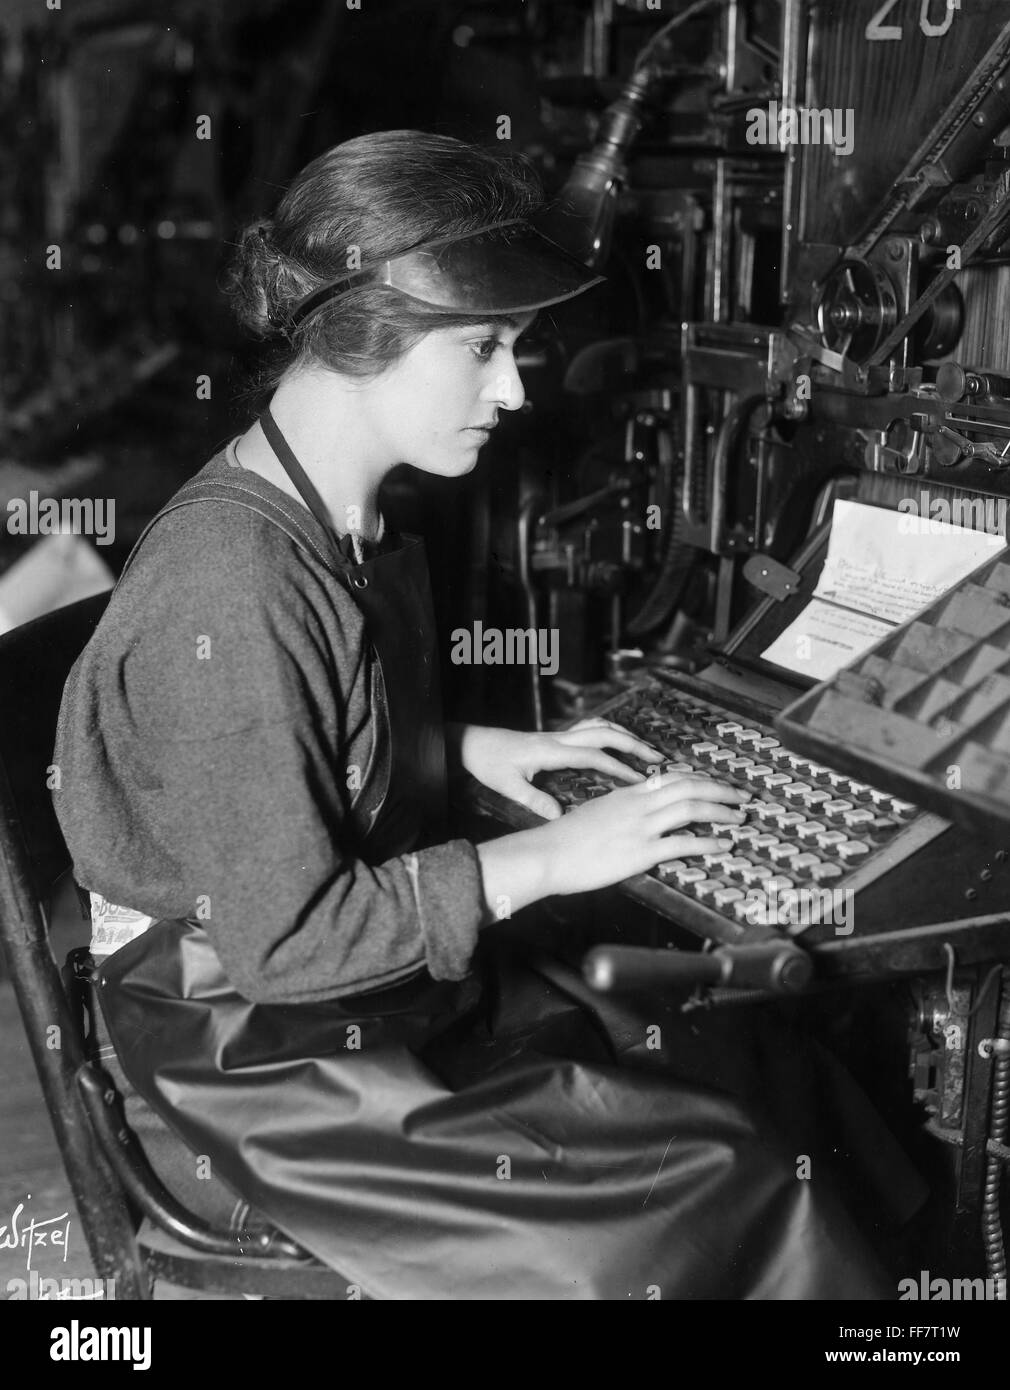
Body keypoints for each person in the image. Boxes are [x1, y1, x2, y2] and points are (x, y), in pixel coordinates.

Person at [53, 130, 911, 1299]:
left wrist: (459, 748)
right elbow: (286, 938)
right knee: (726, 1185)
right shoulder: (232, 581)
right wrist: (547, 858)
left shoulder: (328, 510)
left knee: (747, 1049)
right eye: (483, 347)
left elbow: (303, 745)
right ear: (365, 334)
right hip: (252, 1048)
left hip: (327, 991)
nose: (512, 387)